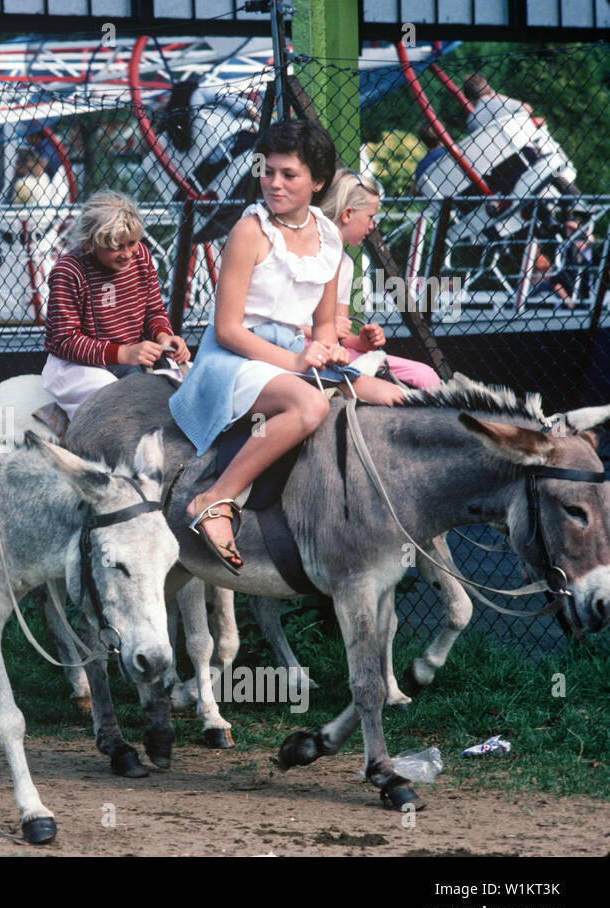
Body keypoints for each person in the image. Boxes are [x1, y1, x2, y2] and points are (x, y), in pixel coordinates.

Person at [168, 120, 404, 574]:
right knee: (311, 406)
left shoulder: (330, 239)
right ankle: (213, 499)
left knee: (392, 396)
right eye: (268, 171)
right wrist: (299, 360)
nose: (274, 182)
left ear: (316, 182)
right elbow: (228, 330)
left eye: (288, 174)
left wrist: (329, 349)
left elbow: (323, 327)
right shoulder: (249, 232)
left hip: (292, 354)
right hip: (236, 359)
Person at [42, 189, 190, 420]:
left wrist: (163, 337)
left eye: (132, 243)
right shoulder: (68, 272)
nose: (128, 253)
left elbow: (153, 310)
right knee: (117, 400)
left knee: (184, 387)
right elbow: (64, 340)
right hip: (78, 365)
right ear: (91, 242)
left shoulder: (141, 255)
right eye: (115, 247)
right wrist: (122, 353)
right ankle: (71, 425)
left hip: (131, 355)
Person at [318, 169, 440, 389]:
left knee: (426, 376)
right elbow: (283, 323)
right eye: (370, 217)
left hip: (338, 352)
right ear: (346, 214)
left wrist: (363, 342)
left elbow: (340, 336)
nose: (372, 226)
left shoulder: (345, 264)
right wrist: (325, 327)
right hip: (307, 351)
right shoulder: (309, 255)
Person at [462, 73, 542, 135]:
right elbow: (529, 109)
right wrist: (495, 95)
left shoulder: (471, 121)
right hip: (524, 144)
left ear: (469, 97)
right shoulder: (504, 103)